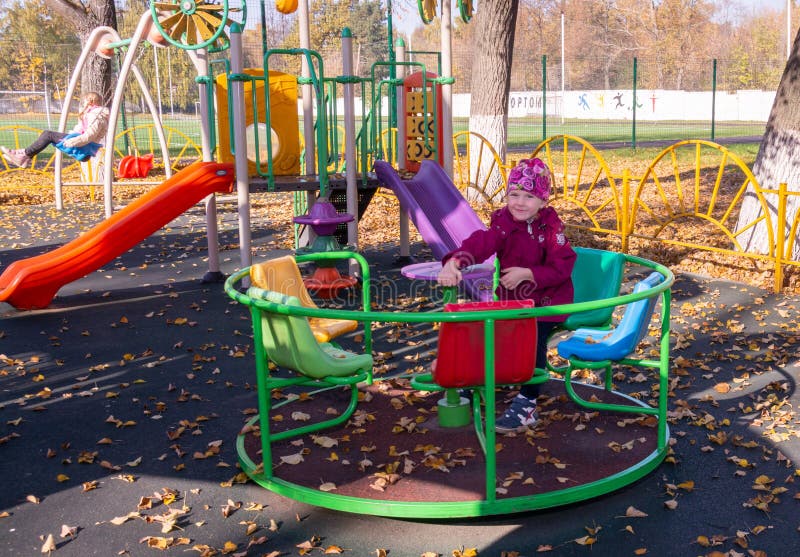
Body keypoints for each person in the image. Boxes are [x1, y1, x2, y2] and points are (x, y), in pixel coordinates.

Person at [438, 157, 577, 432]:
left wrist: (528, 274)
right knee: (487, 333)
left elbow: (563, 266)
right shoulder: (503, 223)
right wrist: (455, 261)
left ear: (543, 201)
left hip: (548, 303)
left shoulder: (550, 228)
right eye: (514, 194)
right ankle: (478, 381)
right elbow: (481, 244)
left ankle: (527, 403)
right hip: (512, 301)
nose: (520, 202)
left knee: (532, 339)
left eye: (529, 196)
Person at [1, 91, 110, 168]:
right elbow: (79, 130)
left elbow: (89, 136)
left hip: (83, 148)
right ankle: (24, 157)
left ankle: (23, 155)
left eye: (85, 101)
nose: (83, 103)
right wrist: (69, 136)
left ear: (90, 101)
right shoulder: (91, 114)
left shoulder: (96, 116)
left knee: (48, 135)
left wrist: (71, 141)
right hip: (82, 146)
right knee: (47, 134)